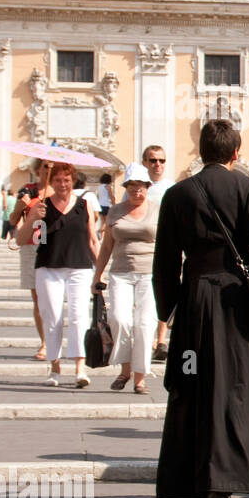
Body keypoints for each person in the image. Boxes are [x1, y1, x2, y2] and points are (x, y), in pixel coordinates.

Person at [152, 120, 249, 498]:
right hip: (240, 301)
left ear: (200, 151)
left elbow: (165, 261)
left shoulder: (177, 194)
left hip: (196, 299)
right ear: (235, 153)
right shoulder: (248, 189)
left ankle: (199, 480)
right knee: (242, 385)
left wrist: (167, 307)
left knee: (197, 385)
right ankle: (235, 476)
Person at [18, 162, 99, 388]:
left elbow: (92, 239)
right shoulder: (41, 206)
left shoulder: (85, 205)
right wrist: (34, 216)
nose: (62, 184)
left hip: (80, 267)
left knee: (79, 316)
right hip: (48, 267)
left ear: (72, 181)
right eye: (57, 180)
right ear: (51, 182)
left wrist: (100, 270)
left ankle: (80, 368)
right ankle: (54, 368)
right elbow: (26, 239)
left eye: (66, 180)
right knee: (51, 317)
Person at [93, 163, 160, 394]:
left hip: (149, 272)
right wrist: (97, 274)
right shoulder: (115, 211)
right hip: (120, 272)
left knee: (144, 323)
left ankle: (139, 377)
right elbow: (106, 246)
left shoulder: (157, 210)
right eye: (132, 186)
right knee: (119, 319)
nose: (136, 190)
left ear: (147, 187)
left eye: (140, 186)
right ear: (126, 187)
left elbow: (166, 244)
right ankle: (125, 369)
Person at [7, 175, 46, 359]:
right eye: (45, 166)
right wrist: (20, 207)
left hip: (55, 246)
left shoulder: (61, 191)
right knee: (38, 297)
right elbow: (13, 221)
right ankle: (45, 343)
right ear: (38, 168)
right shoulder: (28, 191)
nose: (49, 170)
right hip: (31, 246)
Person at [142, 145, 173, 361]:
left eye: (161, 160)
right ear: (145, 162)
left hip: (166, 245)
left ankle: (161, 340)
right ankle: (148, 338)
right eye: (153, 160)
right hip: (144, 248)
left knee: (163, 291)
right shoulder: (137, 187)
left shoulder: (171, 189)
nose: (158, 165)